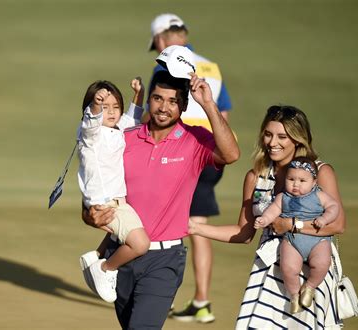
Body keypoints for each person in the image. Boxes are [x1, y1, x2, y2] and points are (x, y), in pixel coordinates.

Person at [82, 55, 240, 329]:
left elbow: (231, 154)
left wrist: (209, 105)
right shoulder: (125, 138)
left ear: (184, 105)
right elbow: (98, 184)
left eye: (172, 101)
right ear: (149, 99)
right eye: (157, 98)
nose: (163, 107)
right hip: (121, 254)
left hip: (164, 260)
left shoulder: (194, 140)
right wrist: (88, 216)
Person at [188, 105, 346, 328]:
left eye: (282, 136)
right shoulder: (256, 177)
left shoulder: (319, 172)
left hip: (313, 272)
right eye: (268, 134)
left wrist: (291, 225)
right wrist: (193, 227)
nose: (272, 142)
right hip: (268, 271)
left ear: (298, 140)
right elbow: (243, 233)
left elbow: (338, 224)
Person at [146, 13, 233, 323]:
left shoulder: (164, 66)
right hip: (210, 152)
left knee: (157, 221)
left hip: (179, 150)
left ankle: (154, 295)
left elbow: (154, 117)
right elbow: (223, 116)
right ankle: (202, 301)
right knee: (197, 224)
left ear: (160, 39)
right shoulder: (210, 67)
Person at [77, 78, 151, 303]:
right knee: (141, 244)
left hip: (117, 201)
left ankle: (96, 255)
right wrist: (95, 106)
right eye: (103, 106)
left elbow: (132, 117)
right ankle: (105, 268)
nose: (111, 112)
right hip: (104, 202)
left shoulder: (118, 127)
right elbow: (90, 121)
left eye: (115, 106)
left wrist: (139, 94)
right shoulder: (91, 133)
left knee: (122, 232)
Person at [254, 156, 339, 314]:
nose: (295, 184)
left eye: (302, 180)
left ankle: (310, 287)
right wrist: (264, 219)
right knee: (288, 267)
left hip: (318, 240)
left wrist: (324, 218)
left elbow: (334, 207)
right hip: (292, 241)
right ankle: (294, 295)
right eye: (291, 179)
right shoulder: (283, 197)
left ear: (314, 182)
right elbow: (272, 211)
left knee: (322, 263)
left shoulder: (318, 195)